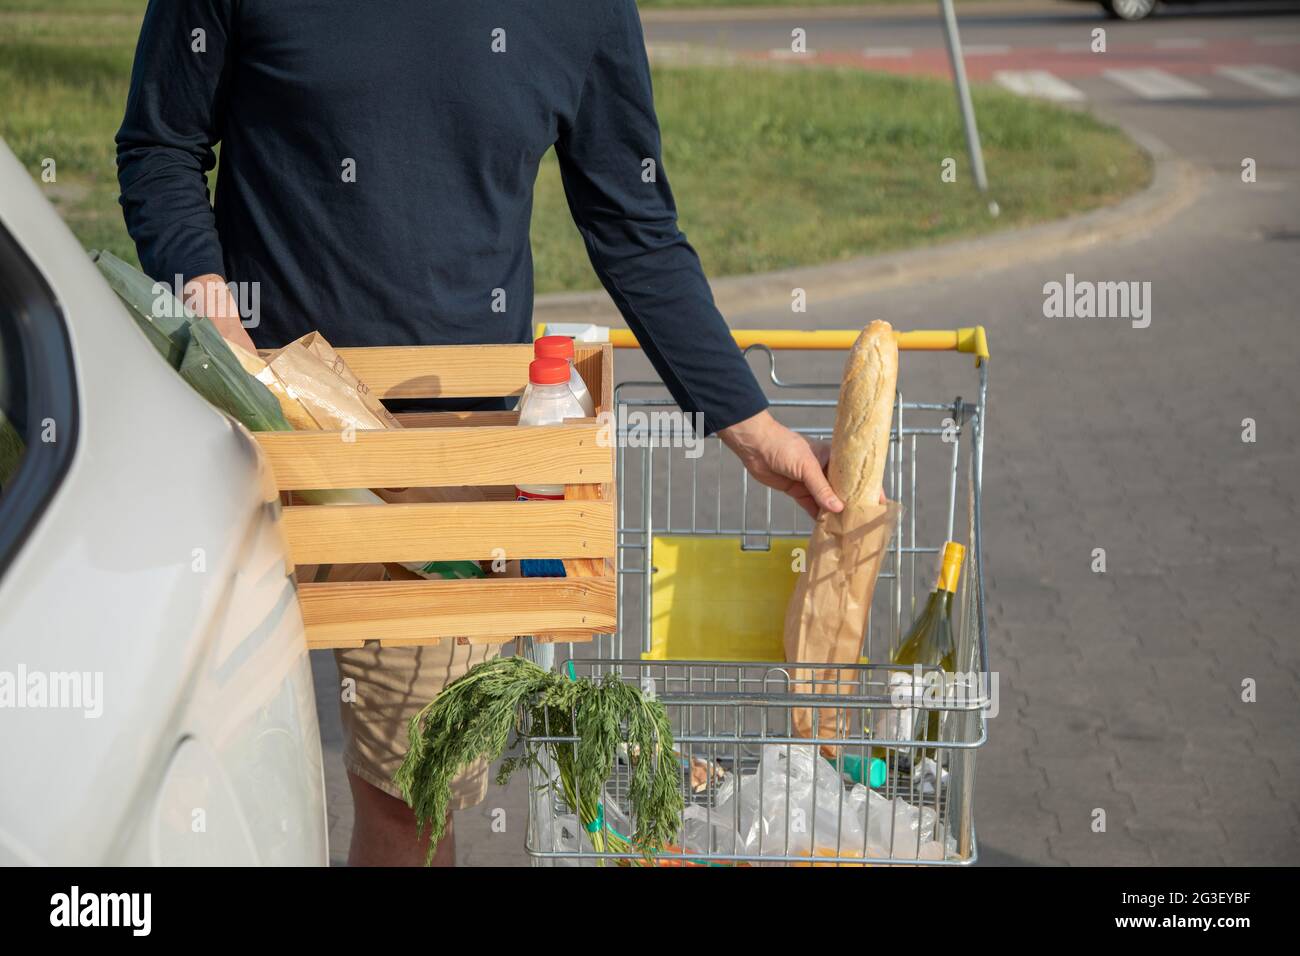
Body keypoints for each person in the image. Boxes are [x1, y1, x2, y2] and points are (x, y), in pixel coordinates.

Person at [117, 0, 843, 866]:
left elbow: (633, 227)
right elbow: (161, 145)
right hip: (232, 433)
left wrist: (749, 426)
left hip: (437, 475)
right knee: (198, 787)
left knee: (405, 805)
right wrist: (213, 313)